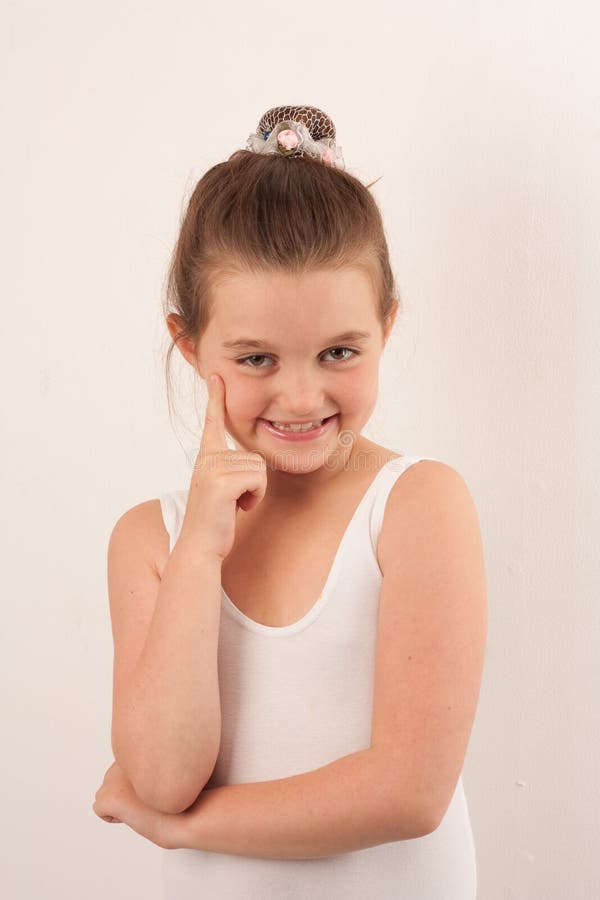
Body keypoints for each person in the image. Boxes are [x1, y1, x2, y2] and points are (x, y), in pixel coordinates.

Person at [103, 105, 487, 898]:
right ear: (189, 345)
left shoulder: (418, 507)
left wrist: (182, 830)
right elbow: (164, 775)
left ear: (387, 326)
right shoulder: (153, 539)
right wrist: (202, 547)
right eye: (256, 358)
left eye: (339, 351)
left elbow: (411, 793)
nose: (302, 395)